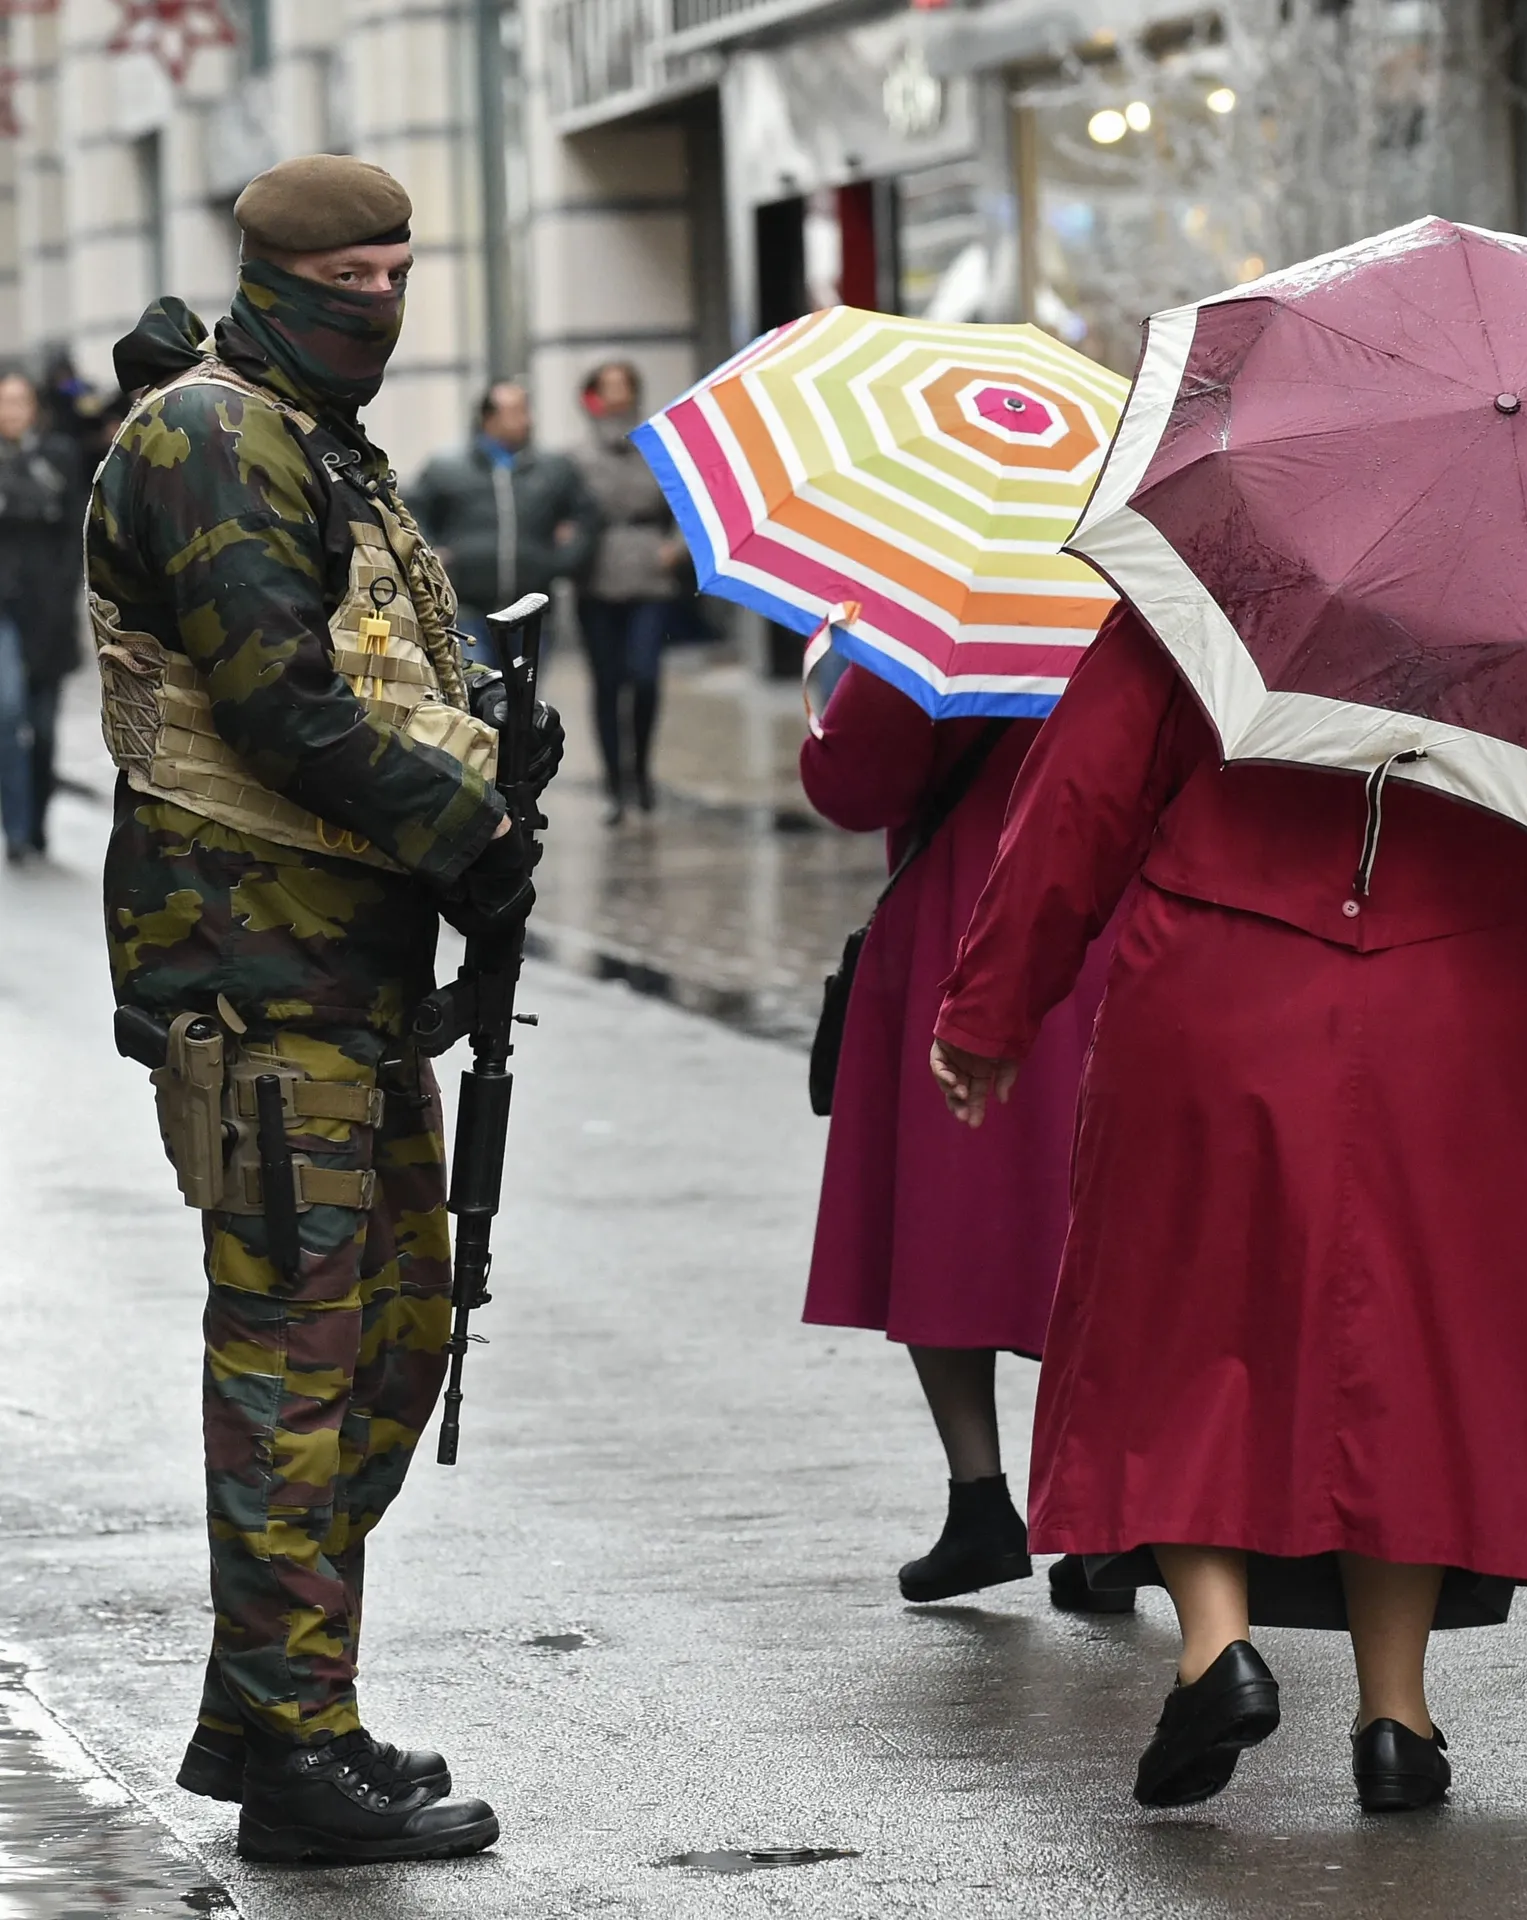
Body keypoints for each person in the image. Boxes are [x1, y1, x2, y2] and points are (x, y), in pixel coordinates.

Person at [929, 606, 1527, 1812]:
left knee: (1178, 1322)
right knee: (1413, 1351)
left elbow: (1079, 798)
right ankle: (1396, 1718)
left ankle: (1216, 1649)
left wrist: (991, 1007)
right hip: (1461, 995)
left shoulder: (1211, 574)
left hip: (1221, 974)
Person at [89, 153, 561, 1866]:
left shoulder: (313, 435)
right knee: (298, 1364)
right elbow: (278, 700)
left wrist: (482, 720)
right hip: (256, 972)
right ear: (277, 280)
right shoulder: (214, 438)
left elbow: (368, 657)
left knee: (390, 1345)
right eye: (351, 281)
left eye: (397, 274)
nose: (382, 305)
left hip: (347, 976)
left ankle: (285, 1715)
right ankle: (292, 1754)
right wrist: (468, 832)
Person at [800, 662, 1129, 1613]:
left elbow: (854, 782)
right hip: (1117, 924)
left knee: (949, 1218)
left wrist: (817, 713)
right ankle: (1099, 1522)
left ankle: (981, 1498)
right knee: (1103, 1228)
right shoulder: (1161, 609)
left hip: (964, 923)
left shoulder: (950, 613)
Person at [410, 378, 599, 664]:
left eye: (526, 410)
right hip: (467, 609)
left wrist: (561, 562)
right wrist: (433, 554)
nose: (526, 419)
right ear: (489, 418)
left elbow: (586, 517)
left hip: (532, 611)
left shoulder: (553, 469)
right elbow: (414, 515)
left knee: (525, 689)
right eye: (515, 412)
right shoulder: (447, 468)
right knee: (478, 685)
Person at [572, 360, 683, 821]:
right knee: (606, 682)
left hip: (650, 575)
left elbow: (686, 504)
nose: (618, 395)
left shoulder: (657, 448)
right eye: (609, 387)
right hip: (596, 578)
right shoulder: (577, 458)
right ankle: (614, 782)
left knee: (645, 676)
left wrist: (676, 548)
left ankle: (641, 769)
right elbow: (562, 509)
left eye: (625, 386)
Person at [0, 370, 82, 862]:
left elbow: (74, 530)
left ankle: (36, 824)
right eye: (3, 401)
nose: (10, 410)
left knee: (44, 728)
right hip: (4, 611)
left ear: (34, 407)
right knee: (8, 713)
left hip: (49, 614)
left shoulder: (59, 456)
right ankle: (15, 827)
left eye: (18, 401)